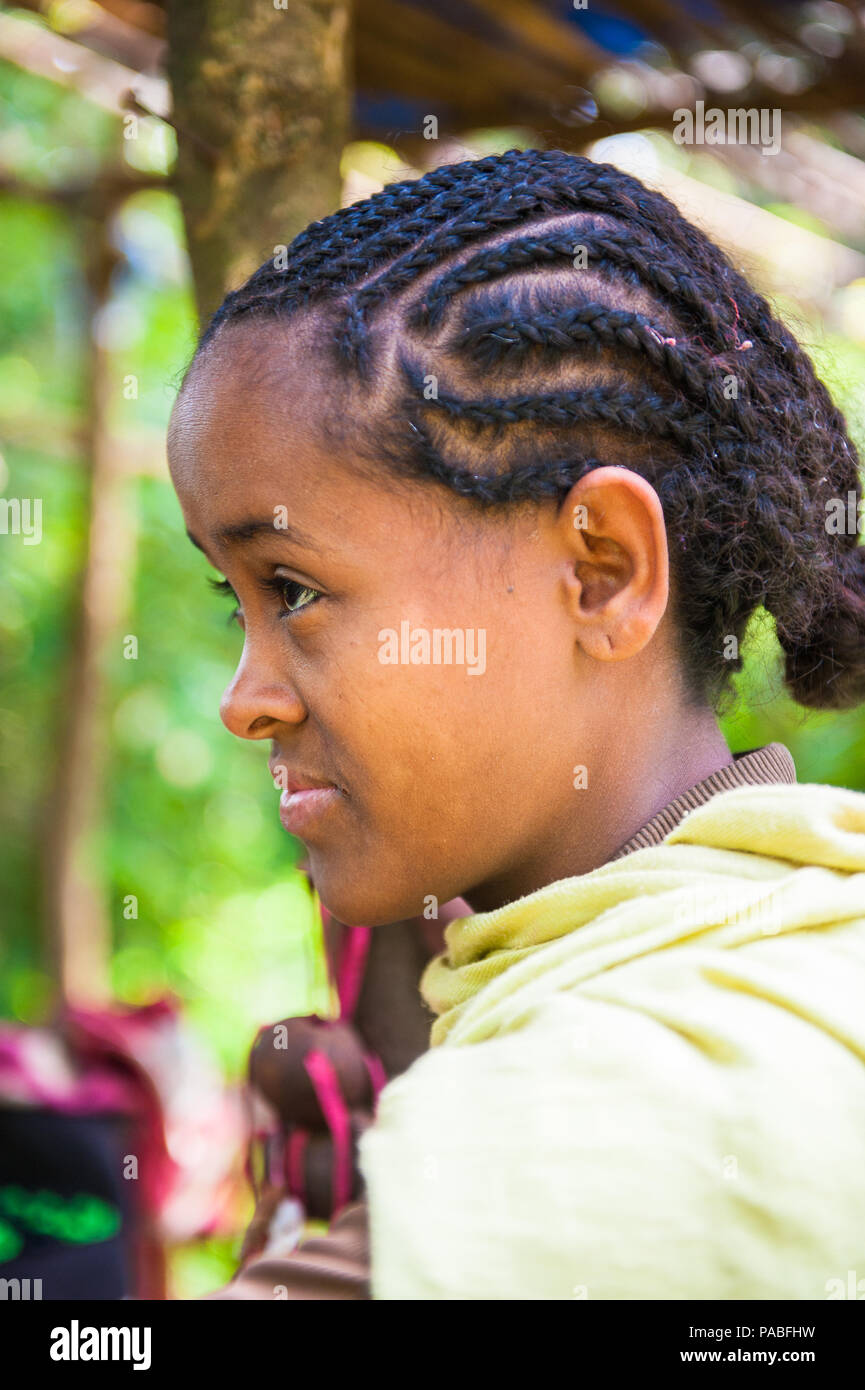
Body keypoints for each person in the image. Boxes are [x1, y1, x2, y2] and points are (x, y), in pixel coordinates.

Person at [166, 148, 865, 1300]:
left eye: (293, 589)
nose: (247, 700)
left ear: (600, 571)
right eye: (230, 601)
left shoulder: (572, 1135)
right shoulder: (801, 957)